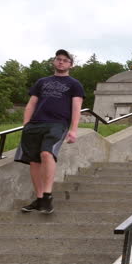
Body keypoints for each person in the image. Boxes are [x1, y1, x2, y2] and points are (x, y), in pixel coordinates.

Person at [16, 49, 84, 214]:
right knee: (34, 161)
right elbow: (31, 104)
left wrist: (73, 130)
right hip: (35, 125)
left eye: (65, 60)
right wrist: (26, 124)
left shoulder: (74, 84)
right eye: (58, 59)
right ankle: (39, 199)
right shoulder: (41, 82)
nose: (61, 62)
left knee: (47, 154)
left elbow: (76, 109)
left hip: (57, 124)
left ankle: (47, 196)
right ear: (54, 62)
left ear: (70, 65)